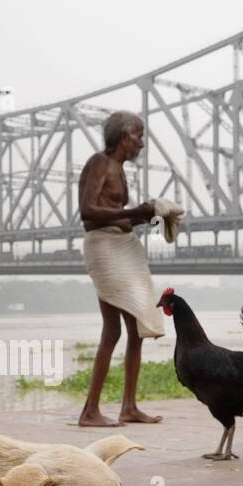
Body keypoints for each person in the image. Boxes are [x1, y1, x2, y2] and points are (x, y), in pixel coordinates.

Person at [76, 111, 164, 427]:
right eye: (138, 135)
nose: (142, 142)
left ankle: (129, 407)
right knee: (112, 330)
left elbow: (117, 215)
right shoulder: (100, 163)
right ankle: (90, 411)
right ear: (124, 137)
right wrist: (132, 211)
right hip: (103, 247)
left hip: (122, 245)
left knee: (134, 329)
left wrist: (149, 215)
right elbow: (87, 211)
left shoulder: (121, 170)